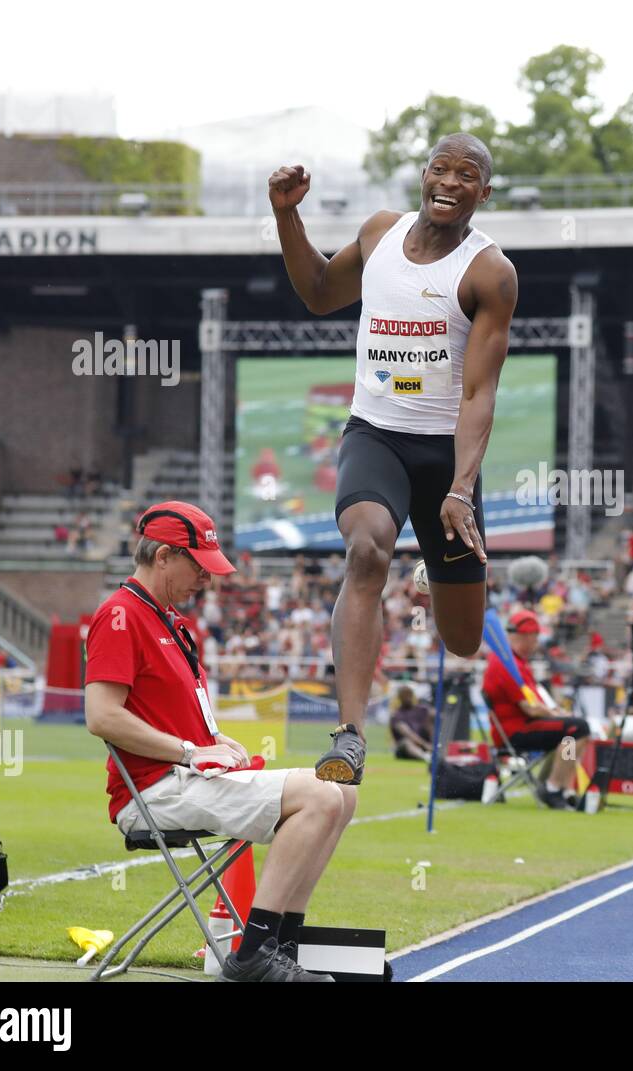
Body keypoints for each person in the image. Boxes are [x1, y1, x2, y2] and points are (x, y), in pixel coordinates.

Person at [269, 133, 518, 786]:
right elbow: (321, 291)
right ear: (423, 177)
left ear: (483, 194)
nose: (449, 181)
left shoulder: (489, 273)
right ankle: (349, 735)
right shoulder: (380, 233)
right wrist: (287, 216)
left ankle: (435, 568)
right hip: (375, 436)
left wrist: (462, 487)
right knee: (367, 551)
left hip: (446, 457)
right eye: (440, 168)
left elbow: (480, 391)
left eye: (467, 175)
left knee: (461, 639)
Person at [84, 502, 354, 982]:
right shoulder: (121, 615)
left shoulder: (169, 619)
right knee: (318, 795)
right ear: (163, 556)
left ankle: (283, 948)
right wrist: (191, 751)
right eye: (198, 567)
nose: (206, 580)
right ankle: (253, 957)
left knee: (342, 793)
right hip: (151, 791)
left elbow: (177, 718)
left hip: (183, 776)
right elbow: (102, 716)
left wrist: (215, 742)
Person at [481, 609, 589, 809]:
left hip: (522, 726)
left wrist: (556, 713)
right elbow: (530, 709)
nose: (536, 643)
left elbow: (535, 702)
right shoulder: (505, 665)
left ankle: (563, 788)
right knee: (577, 729)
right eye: (535, 637)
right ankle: (554, 787)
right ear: (526, 636)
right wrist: (557, 714)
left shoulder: (514, 662)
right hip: (516, 731)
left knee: (573, 730)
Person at [389, 684, 433, 761]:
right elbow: (407, 733)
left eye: (409, 694)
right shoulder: (396, 715)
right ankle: (426, 757)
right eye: (404, 695)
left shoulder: (422, 710)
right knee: (406, 742)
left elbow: (430, 726)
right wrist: (425, 745)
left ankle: (435, 752)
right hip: (405, 748)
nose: (407, 698)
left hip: (425, 744)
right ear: (400, 697)